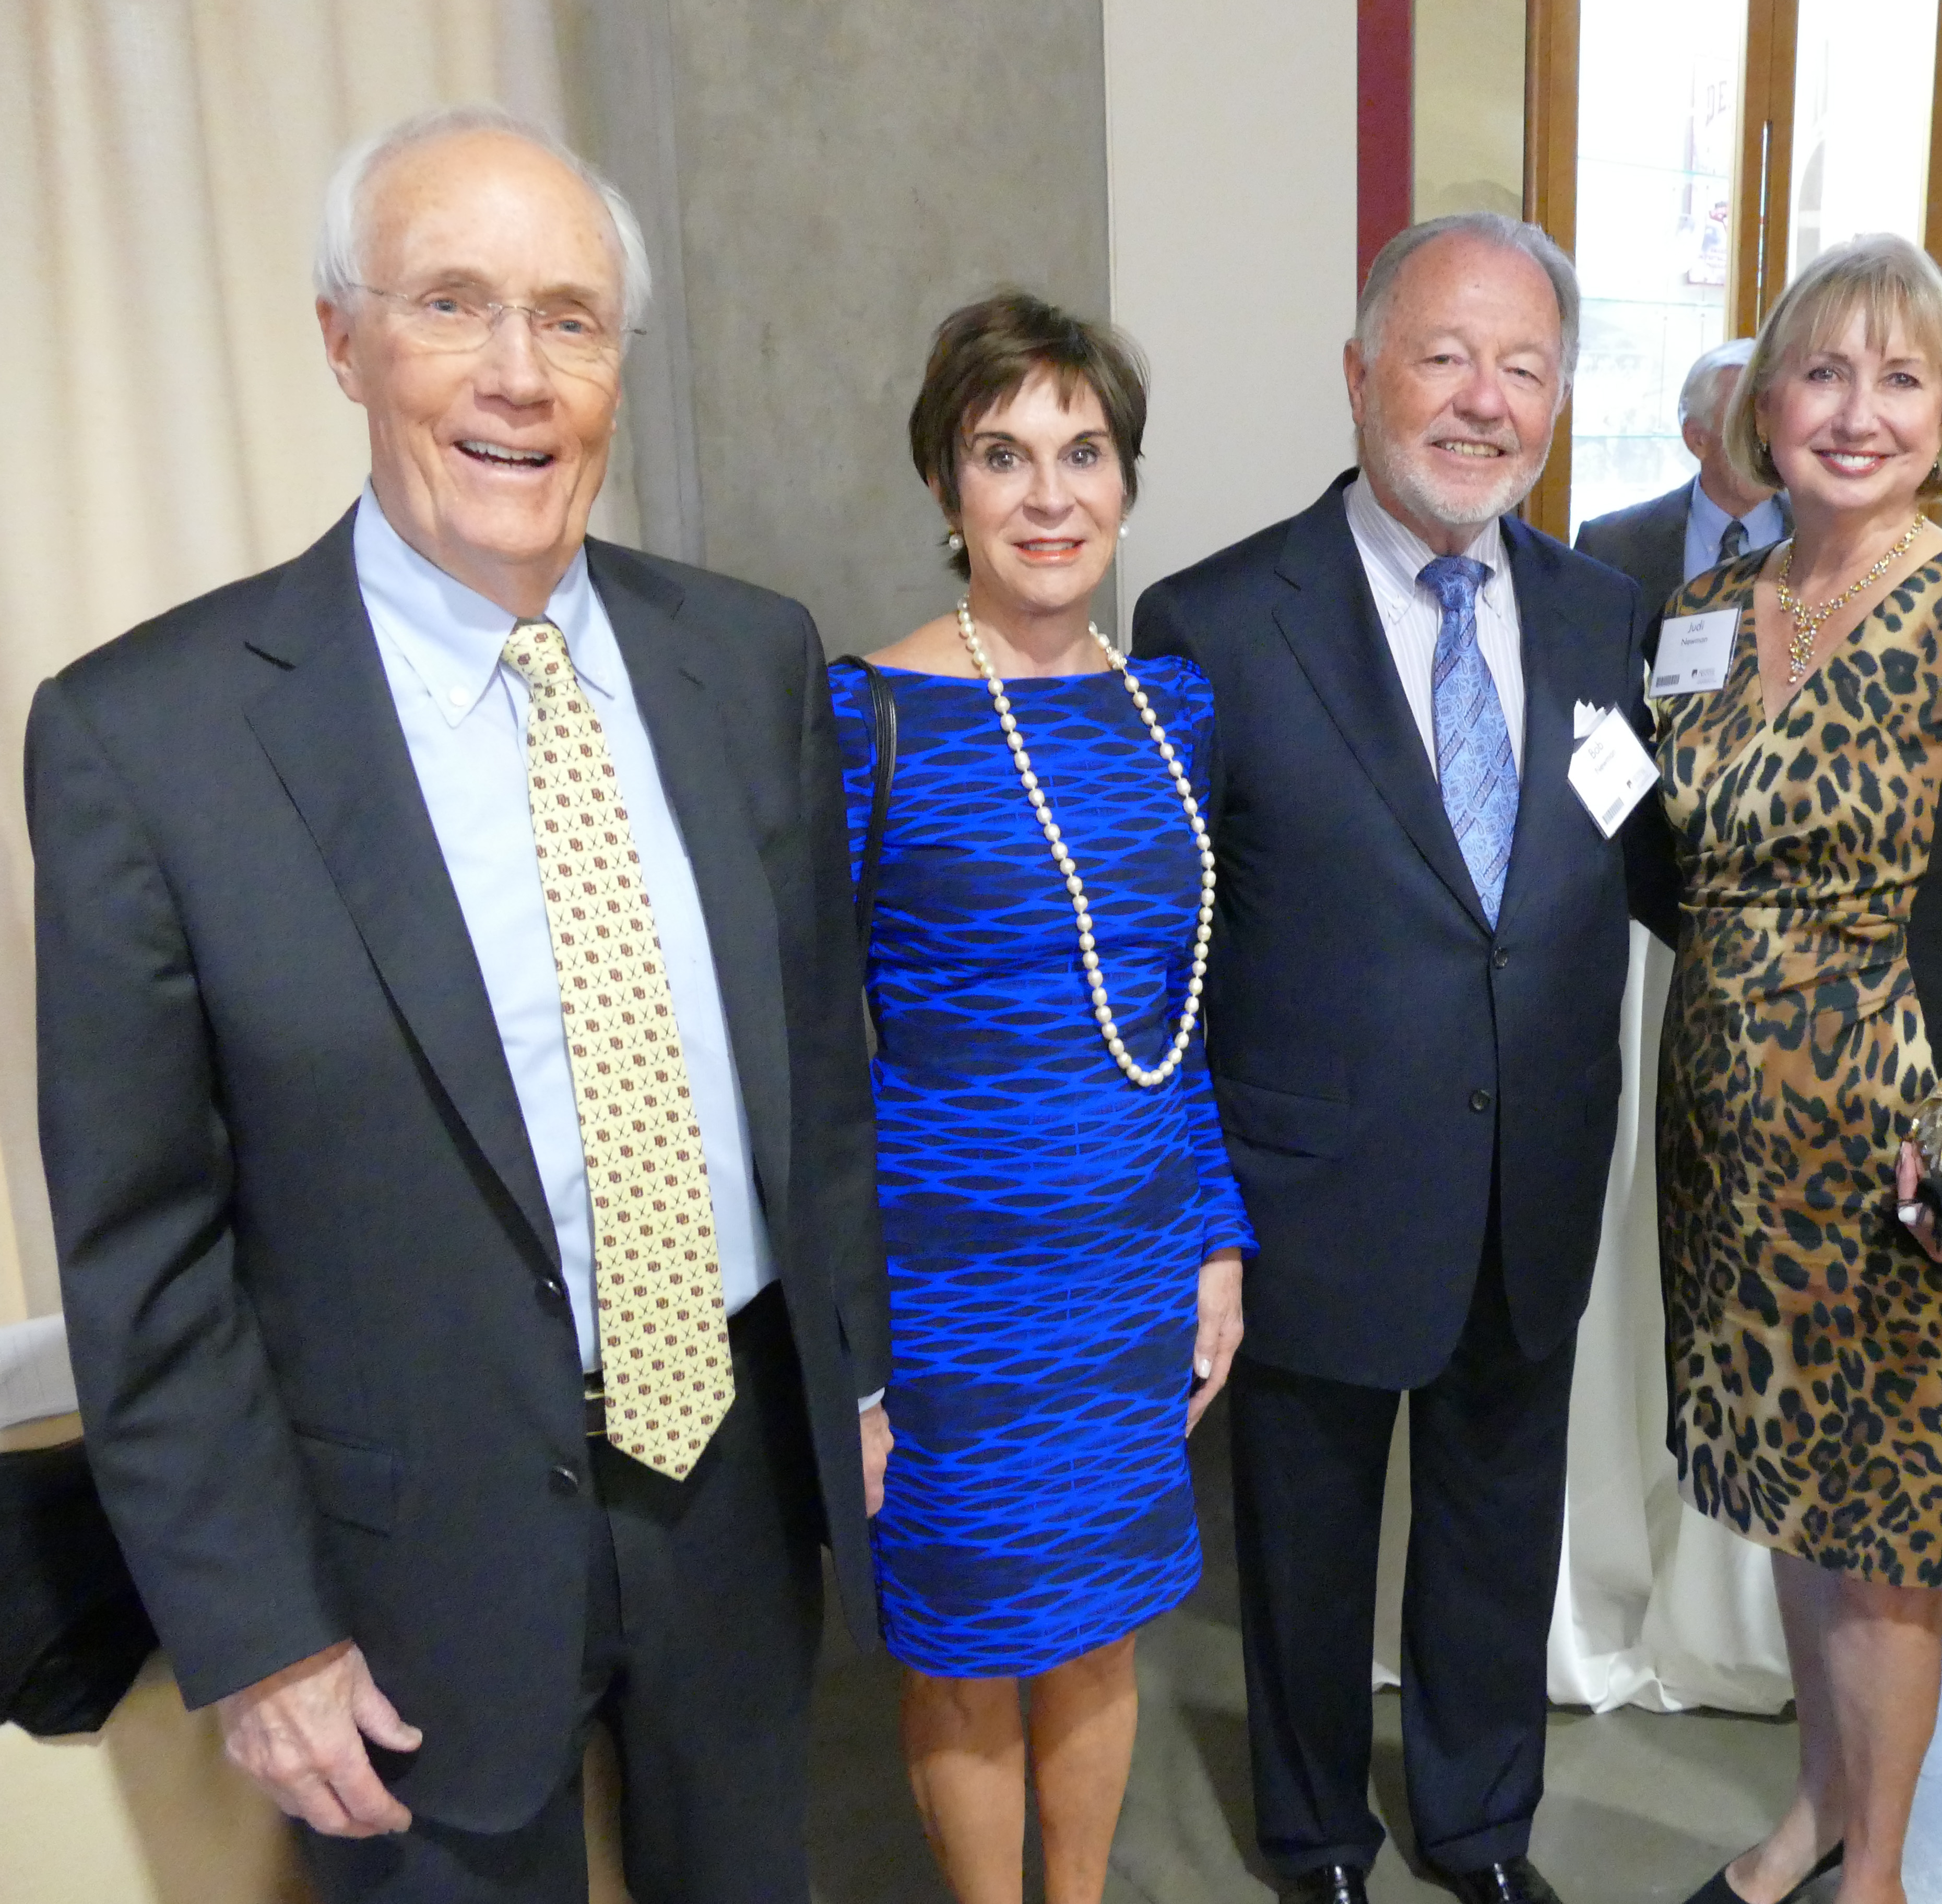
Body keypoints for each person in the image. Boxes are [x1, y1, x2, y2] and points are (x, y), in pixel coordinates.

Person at [28, 104, 890, 1904]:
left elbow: (816, 1085)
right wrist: (256, 1634)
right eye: (452, 306)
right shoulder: (148, 740)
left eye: (570, 319)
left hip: (729, 1485)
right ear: (343, 339)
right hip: (396, 1557)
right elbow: (146, 1247)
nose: (518, 375)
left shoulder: (750, 661)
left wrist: (855, 1376)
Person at [1133, 213, 1678, 1904]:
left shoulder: (1607, 618)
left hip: (1531, 1165)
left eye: (1524, 367)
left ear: (1563, 401)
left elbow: (1654, 863)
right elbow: (1173, 952)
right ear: (1360, 371)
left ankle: (1482, 1818)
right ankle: (1312, 1833)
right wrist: (1189, 1210)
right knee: (1301, 1544)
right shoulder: (1217, 618)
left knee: (1495, 1526)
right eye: (1444, 354)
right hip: (1311, 1182)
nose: (1481, 400)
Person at [1653, 234, 1942, 1904]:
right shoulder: (1705, 616)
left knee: (1886, 1537)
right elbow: (1650, 858)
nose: (1857, 411)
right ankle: (1812, 1813)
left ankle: (1879, 1873)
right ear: (1766, 405)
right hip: (1724, 1154)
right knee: (1790, 1490)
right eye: (1825, 372)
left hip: (1905, 1160)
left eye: (1899, 377)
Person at [831, 291, 1254, 1904]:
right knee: (961, 1647)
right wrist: (856, 1351)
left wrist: (1214, 1238)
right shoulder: (865, 715)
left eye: (1083, 452)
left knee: (1099, 1628)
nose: (1049, 493)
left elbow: (1180, 1016)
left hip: (1135, 1258)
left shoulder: (1170, 709)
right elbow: (815, 1056)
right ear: (947, 489)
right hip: (949, 1283)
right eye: (1002, 455)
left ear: (1128, 482)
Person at [1575, 337, 1790, 651]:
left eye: (1775, 423)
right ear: (1696, 439)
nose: (1765, 443)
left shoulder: (1830, 541)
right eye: (1745, 427)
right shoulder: (1611, 548)